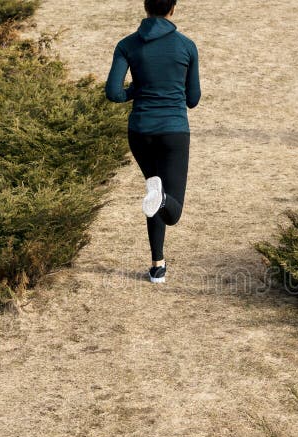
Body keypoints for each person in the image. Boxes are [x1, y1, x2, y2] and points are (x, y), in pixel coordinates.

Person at [105, 0, 201, 283]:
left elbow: (113, 92)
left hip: (140, 132)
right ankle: (157, 257)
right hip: (173, 132)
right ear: (173, 8)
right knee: (171, 209)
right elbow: (193, 99)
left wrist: (137, 89)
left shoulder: (127, 45)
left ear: (145, 8)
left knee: (154, 192)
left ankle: (157, 264)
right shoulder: (186, 46)